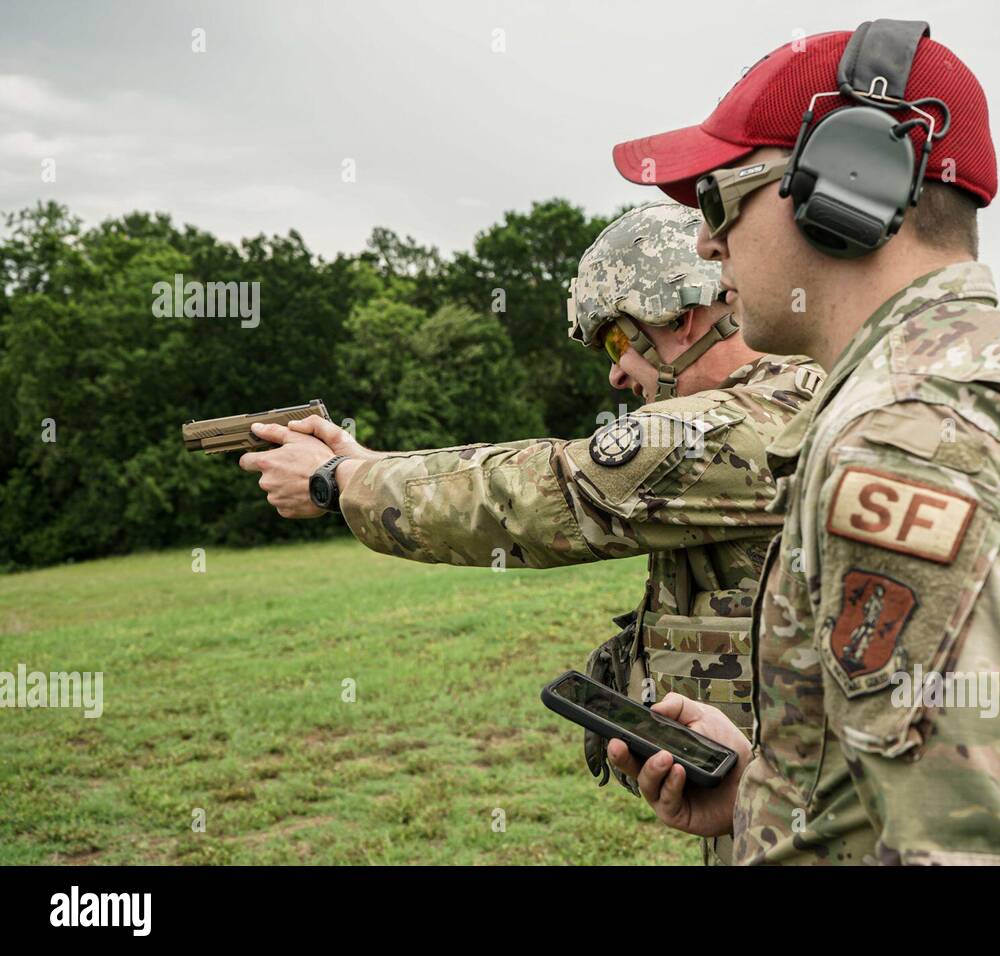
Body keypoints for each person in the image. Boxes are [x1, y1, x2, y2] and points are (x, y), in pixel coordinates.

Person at [605, 21, 1000, 865]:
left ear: (845, 181)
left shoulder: (907, 440)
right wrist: (778, 793)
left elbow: (986, 849)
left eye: (718, 197)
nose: (706, 242)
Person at [238, 200, 823, 864]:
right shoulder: (794, 394)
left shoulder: (731, 427)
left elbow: (536, 496)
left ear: (679, 317)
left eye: (614, 341)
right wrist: (367, 465)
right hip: (778, 802)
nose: (613, 372)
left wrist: (335, 482)